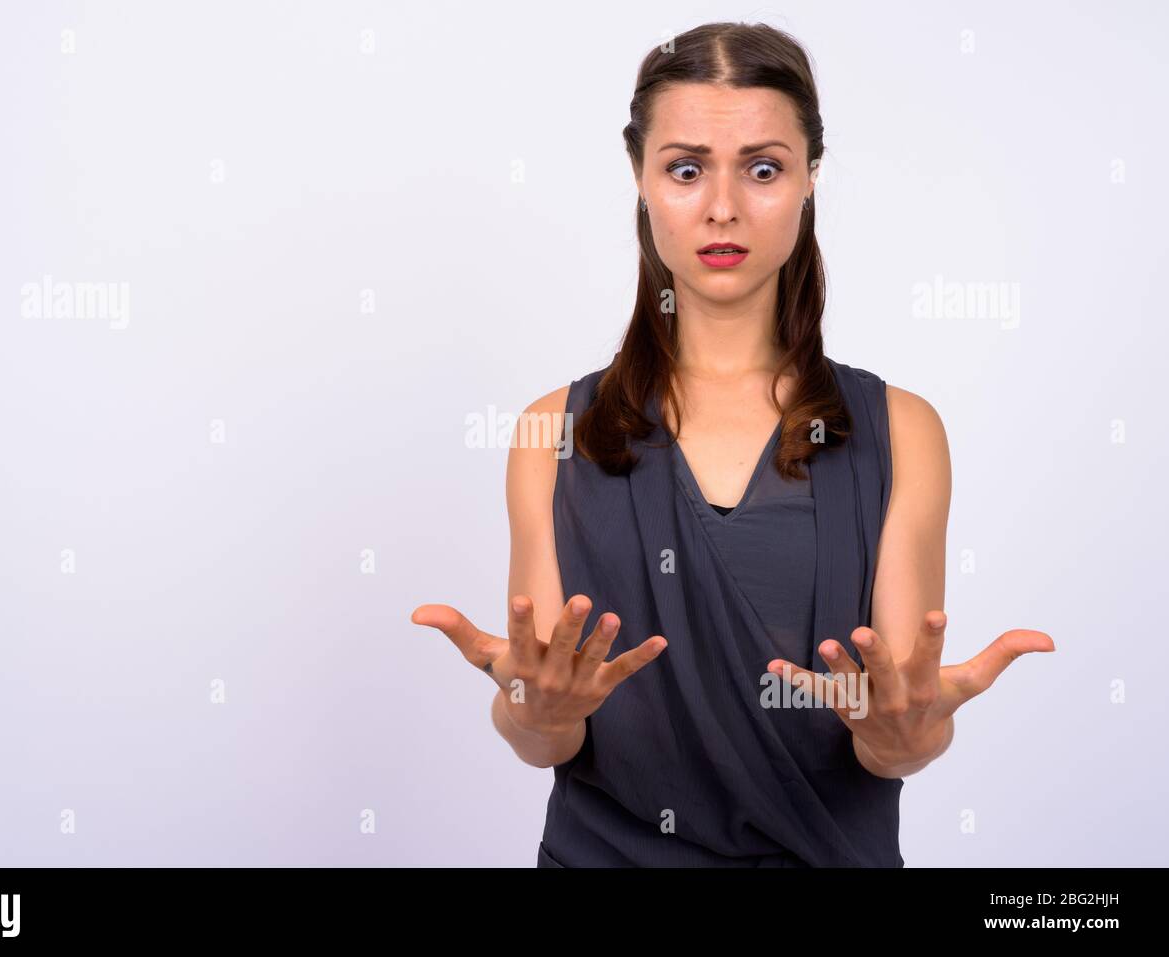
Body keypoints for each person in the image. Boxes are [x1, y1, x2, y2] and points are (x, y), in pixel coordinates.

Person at [411, 21, 1053, 867]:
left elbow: (893, 734)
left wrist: (908, 732)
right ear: (640, 178)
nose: (722, 206)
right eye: (685, 168)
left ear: (810, 179)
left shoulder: (903, 430)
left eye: (762, 168)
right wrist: (538, 713)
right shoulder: (547, 433)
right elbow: (541, 723)